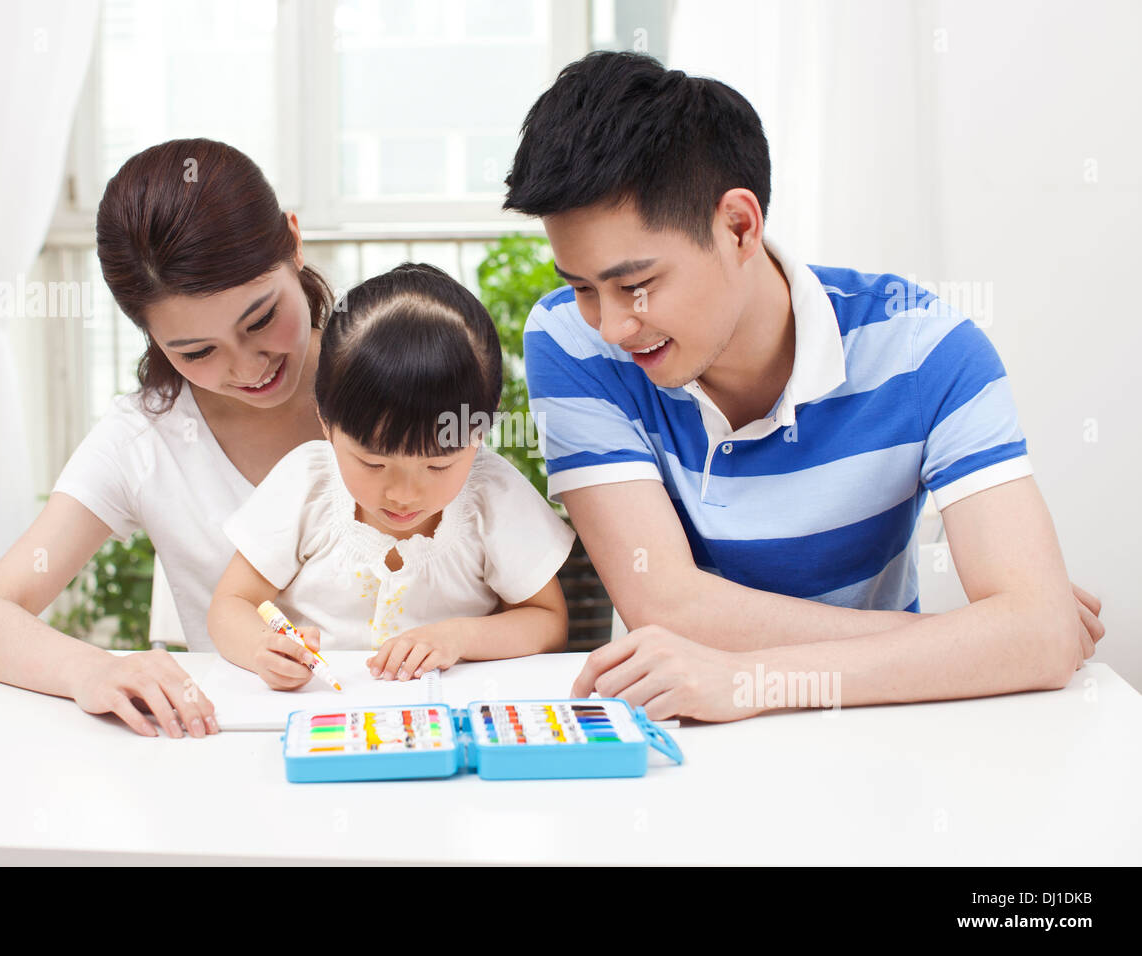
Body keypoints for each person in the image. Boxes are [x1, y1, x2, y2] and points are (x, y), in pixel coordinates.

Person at [504, 52, 1105, 721]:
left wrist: (749, 679)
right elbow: (666, 606)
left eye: (635, 286)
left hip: (890, 729)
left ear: (738, 226)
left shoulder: (923, 348)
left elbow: (1040, 639)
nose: (611, 326)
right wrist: (979, 639)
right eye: (582, 287)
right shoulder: (570, 339)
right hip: (680, 743)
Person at [0, 139, 334, 738]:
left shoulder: (387, 367)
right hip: (235, 754)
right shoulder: (145, 440)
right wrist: (94, 670)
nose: (248, 366)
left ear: (294, 241)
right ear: (152, 337)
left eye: (260, 319)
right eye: (197, 351)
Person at [209, 263, 574, 689]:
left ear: (479, 433)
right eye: (373, 464)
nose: (403, 493)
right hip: (320, 711)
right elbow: (231, 604)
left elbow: (549, 622)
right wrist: (261, 649)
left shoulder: (493, 496)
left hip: (443, 720)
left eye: (438, 466)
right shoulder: (306, 483)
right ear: (326, 423)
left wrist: (457, 637)